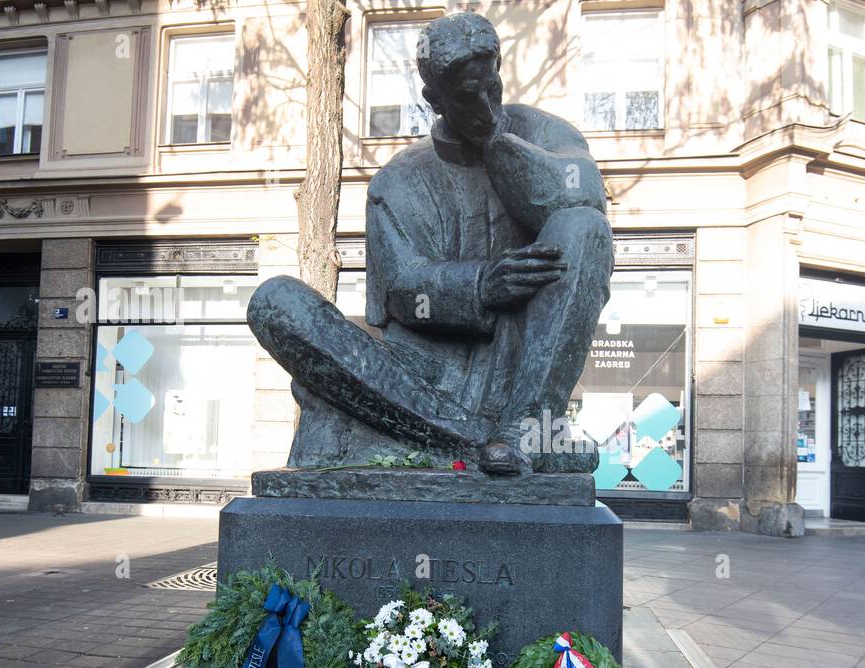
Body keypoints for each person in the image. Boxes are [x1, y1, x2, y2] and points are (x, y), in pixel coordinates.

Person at [247, 12, 613, 475]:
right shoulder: (396, 181)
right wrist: (480, 285)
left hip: (515, 373)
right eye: (467, 97)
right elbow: (400, 292)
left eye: (492, 88)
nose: (485, 105)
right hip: (411, 376)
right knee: (275, 301)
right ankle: (473, 441)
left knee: (583, 228)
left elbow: (582, 196)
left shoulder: (544, 134)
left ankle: (525, 428)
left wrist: (497, 143)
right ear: (434, 99)